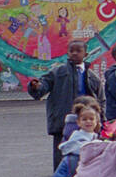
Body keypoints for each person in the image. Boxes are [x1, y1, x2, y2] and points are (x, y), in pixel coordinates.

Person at [28, 40, 104, 168]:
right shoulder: (58, 72)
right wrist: (35, 87)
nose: (74, 53)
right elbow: (43, 87)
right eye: (71, 51)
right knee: (62, 150)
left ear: (85, 54)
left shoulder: (91, 76)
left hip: (87, 119)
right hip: (64, 119)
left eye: (78, 51)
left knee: (88, 148)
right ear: (67, 53)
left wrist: (102, 118)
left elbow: (101, 99)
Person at [41, 102, 102, 177]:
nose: (88, 122)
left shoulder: (93, 136)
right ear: (78, 122)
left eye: (91, 119)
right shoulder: (78, 137)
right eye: (84, 119)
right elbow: (84, 150)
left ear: (96, 121)